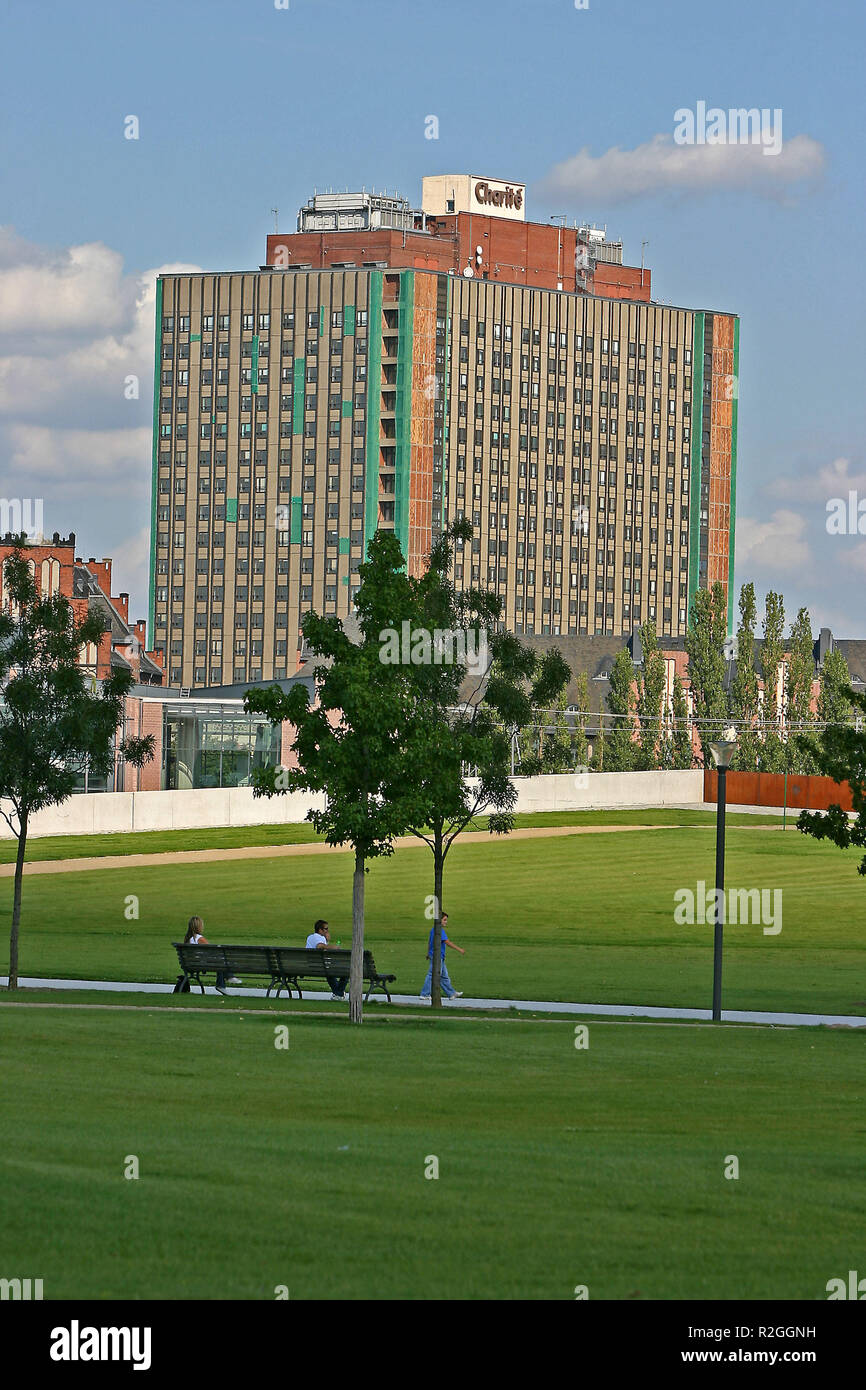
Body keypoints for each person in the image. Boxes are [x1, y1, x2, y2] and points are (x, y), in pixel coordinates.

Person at [184, 916, 242, 994]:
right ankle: (226, 979)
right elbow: (212, 949)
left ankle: (226, 979)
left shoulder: (188, 939)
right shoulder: (199, 938)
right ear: (199, 927)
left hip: (193, 964)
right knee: (221, 959)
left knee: (220, 960)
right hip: (201, 963)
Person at [419, 912, 464, 1001]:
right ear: (439, 920)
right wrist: (459, 949)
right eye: (444, 920)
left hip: (437, 956)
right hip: (437, 956)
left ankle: (451, 994)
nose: (446, 922)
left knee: (443, 976)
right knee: (432, 975)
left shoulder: (433, 930)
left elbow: (429, 942)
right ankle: (424, 994)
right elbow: (447, 942)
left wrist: (428, 953)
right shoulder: (439, 931)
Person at [306, 919, 348, 1001]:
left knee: (330, 973)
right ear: (320, 930)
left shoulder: (311, 937)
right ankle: (339, 993)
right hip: (320, 966)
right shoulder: (318, 937)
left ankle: (338, 993)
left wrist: (327, 941)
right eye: (326, 929)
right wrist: (334, 947)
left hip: (312, 965)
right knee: (346, 971)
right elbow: (319, 946)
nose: (328, 931)